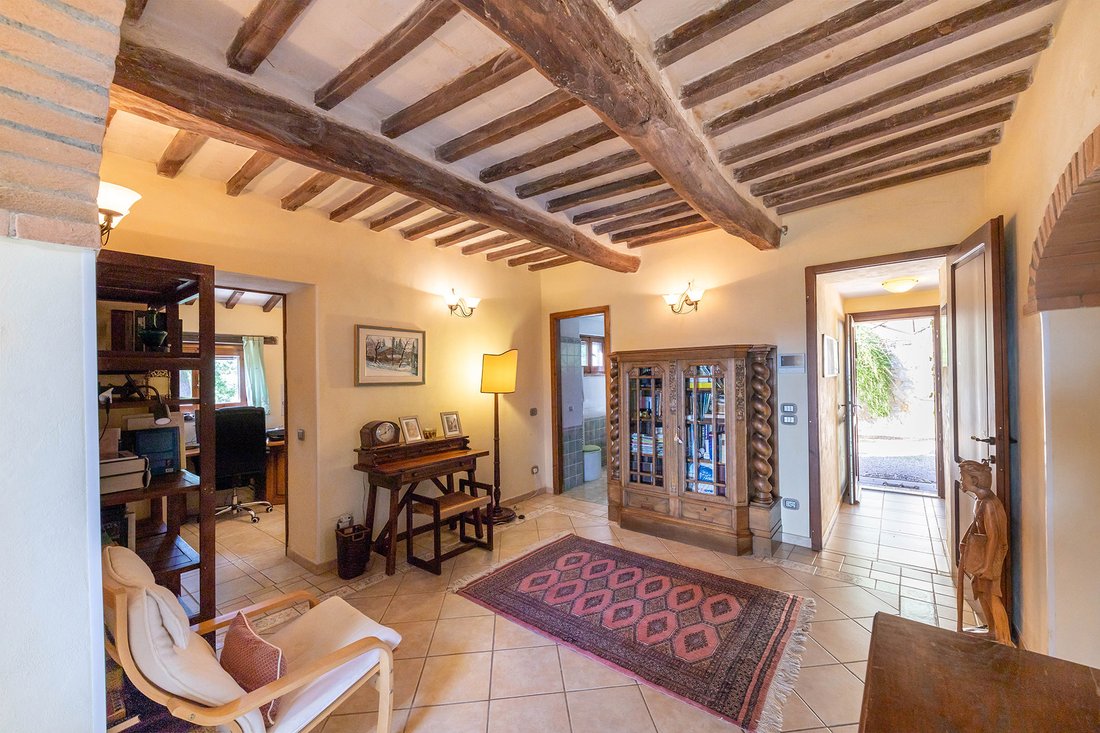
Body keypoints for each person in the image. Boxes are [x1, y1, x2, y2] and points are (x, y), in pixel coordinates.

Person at [957, 459, 1011, 645]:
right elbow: (976, 525)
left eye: (963, 478)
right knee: (980, 589)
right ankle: (992, 629)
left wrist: (988, 565)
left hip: (991, 555)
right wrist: (965, 541)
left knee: (991, 593)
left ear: (975, 479)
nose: (961, 481)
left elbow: (994, 537)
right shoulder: (979, 501)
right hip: (983, 553)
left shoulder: (989, 505)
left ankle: (1003, 638)